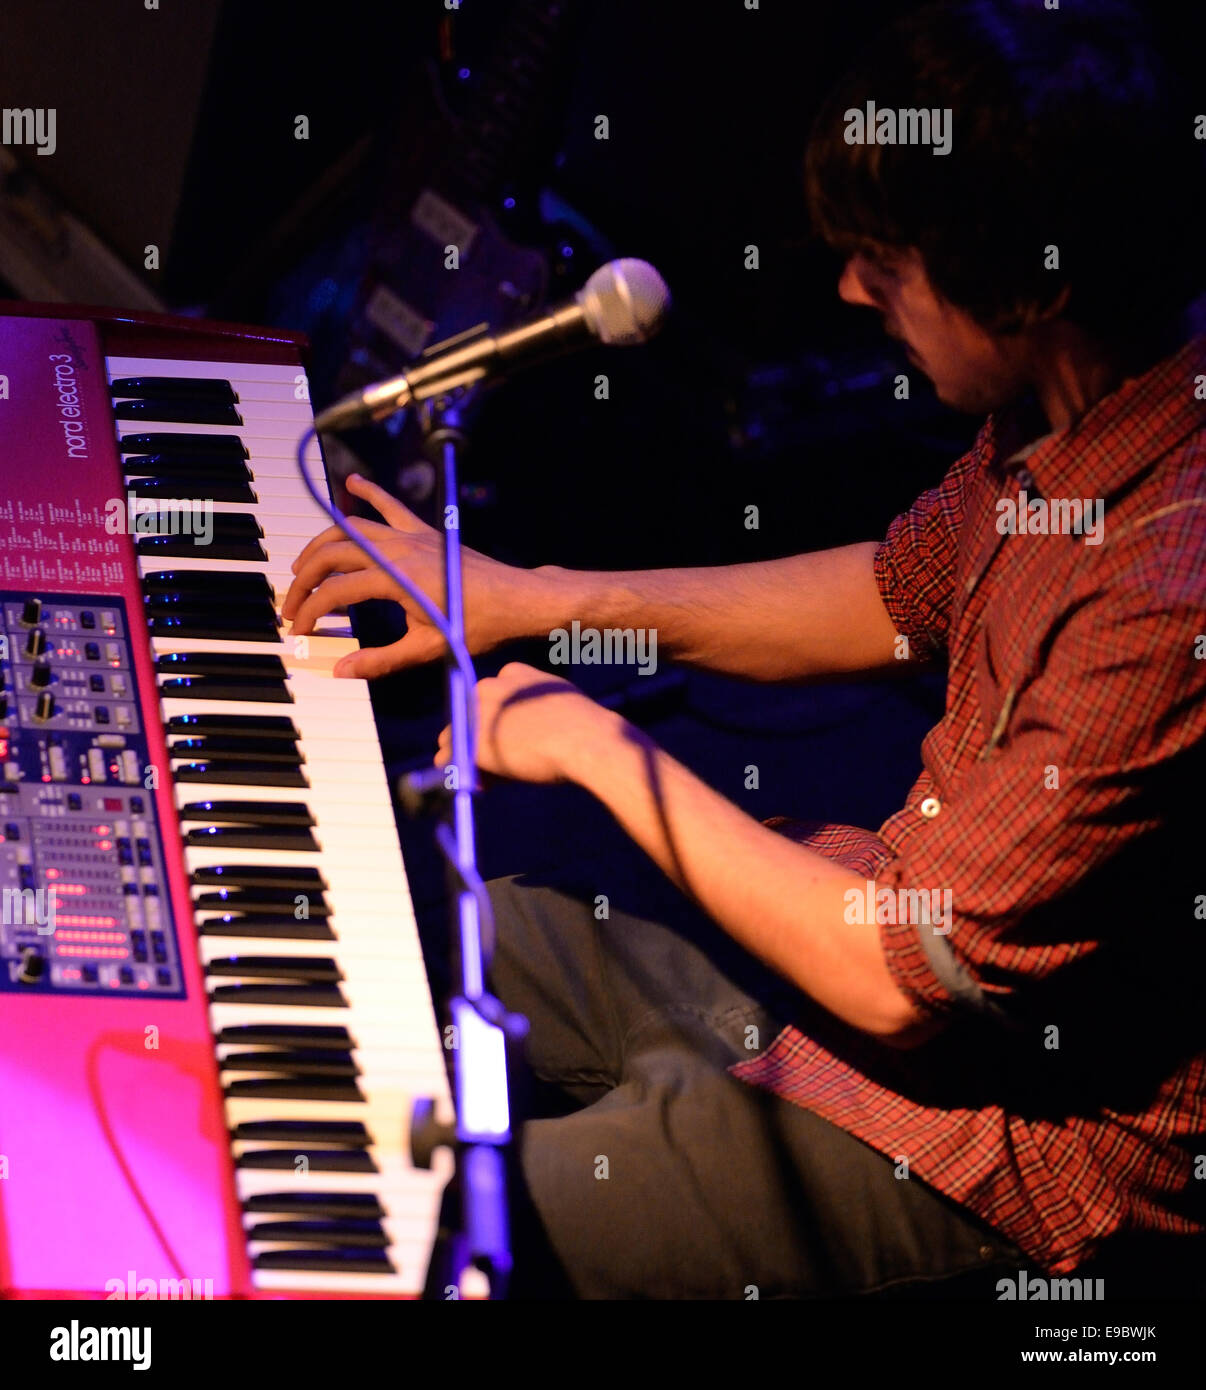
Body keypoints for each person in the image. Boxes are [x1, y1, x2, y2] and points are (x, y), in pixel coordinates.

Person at [283, 0, 1206, 1298]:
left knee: (417, 1237)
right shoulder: (1072, 404)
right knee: (365, 925)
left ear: (1034, 282)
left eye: (887, 262)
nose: (847, 288)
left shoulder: (1167, 593)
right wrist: (523, 595)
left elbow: (894, 979)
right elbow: (891, 591)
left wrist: (595, 745)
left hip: (990, 1154)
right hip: (857, 1005)